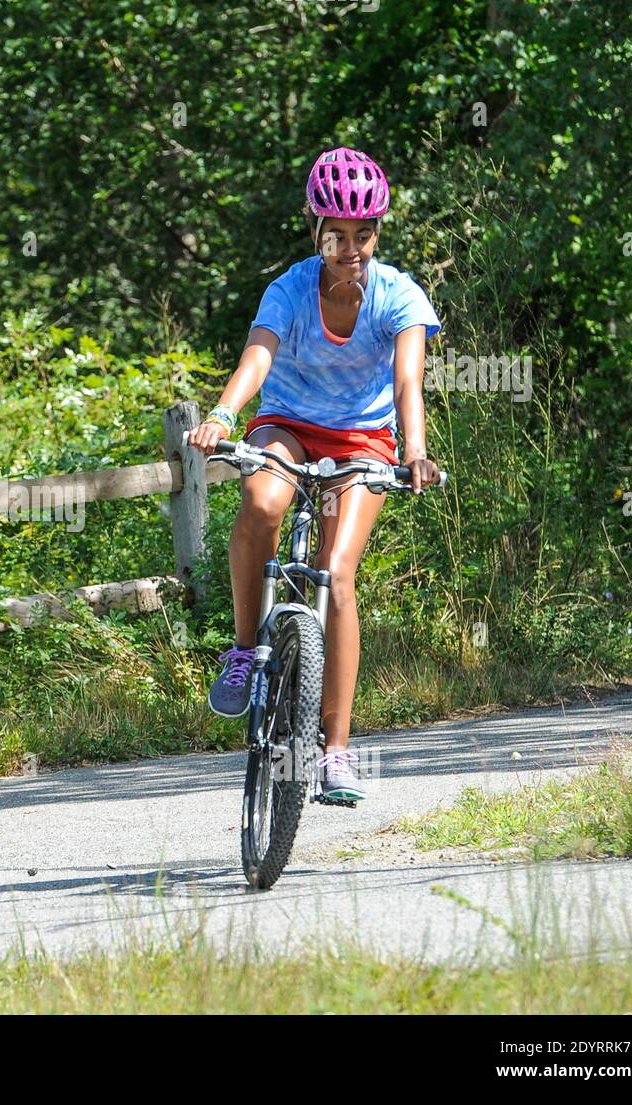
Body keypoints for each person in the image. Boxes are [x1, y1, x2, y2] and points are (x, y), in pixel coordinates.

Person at [188, 148, 442, 801]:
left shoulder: (399, 296)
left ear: (378, 233)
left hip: (364, 438)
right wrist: (223, 414)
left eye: (364, 234)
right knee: (261, 501)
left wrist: (414, 451)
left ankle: (334, 752)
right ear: (315, 230)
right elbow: (257, 357)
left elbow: (408, 380)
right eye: (338, 233)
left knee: (338, 571)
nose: (351, 247)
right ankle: (245, 650)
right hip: (289, 424)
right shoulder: (290, 289)